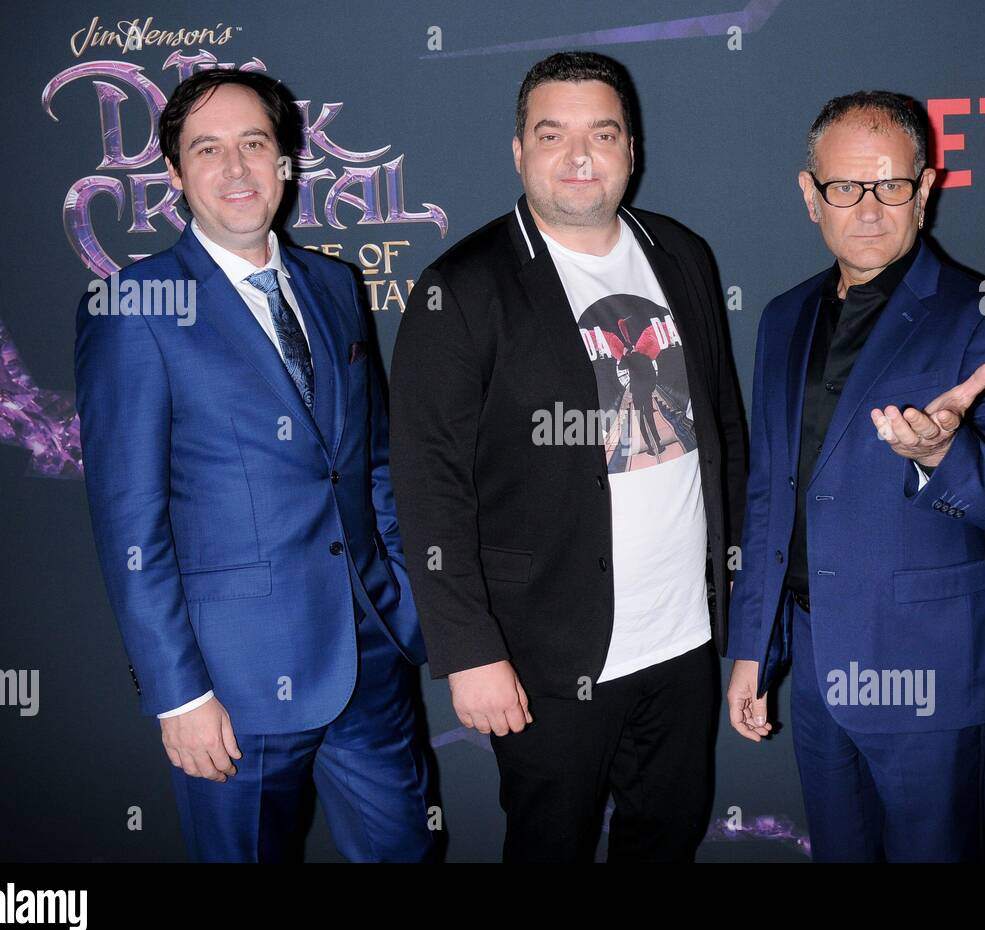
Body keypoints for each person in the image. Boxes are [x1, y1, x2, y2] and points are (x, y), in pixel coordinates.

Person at [390, 51, 746, 862]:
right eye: (553, 134)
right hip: (546, 650)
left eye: (603, 133)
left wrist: (740, 601)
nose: (580, 155)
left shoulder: (682, 254)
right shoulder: (463, 287)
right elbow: (426, 479)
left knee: (667, 838)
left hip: (684, 641)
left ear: (632, 149)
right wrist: (469, 650)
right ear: (519, 151)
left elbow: (724, 430)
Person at [74, 68, 433, 862]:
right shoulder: (135, 306)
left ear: (286, 162)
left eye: (253, 145)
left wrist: (398, 597)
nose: (235, 170)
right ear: (173, 175)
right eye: (208, 150)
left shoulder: (336, 285)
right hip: (231, 688)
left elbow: (371, 460)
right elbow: (129, 522)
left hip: (369, 656)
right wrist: (180, 694)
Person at [726, 90, 985, 862]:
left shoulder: (984, 311)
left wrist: (943, 453)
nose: (869, 208)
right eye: (845, 186)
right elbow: (771, 492)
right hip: (813, 670)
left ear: (926, 189)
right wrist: (751, 647)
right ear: (811, 196)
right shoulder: (783, 316)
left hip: (931, 671)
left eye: (891, 185)